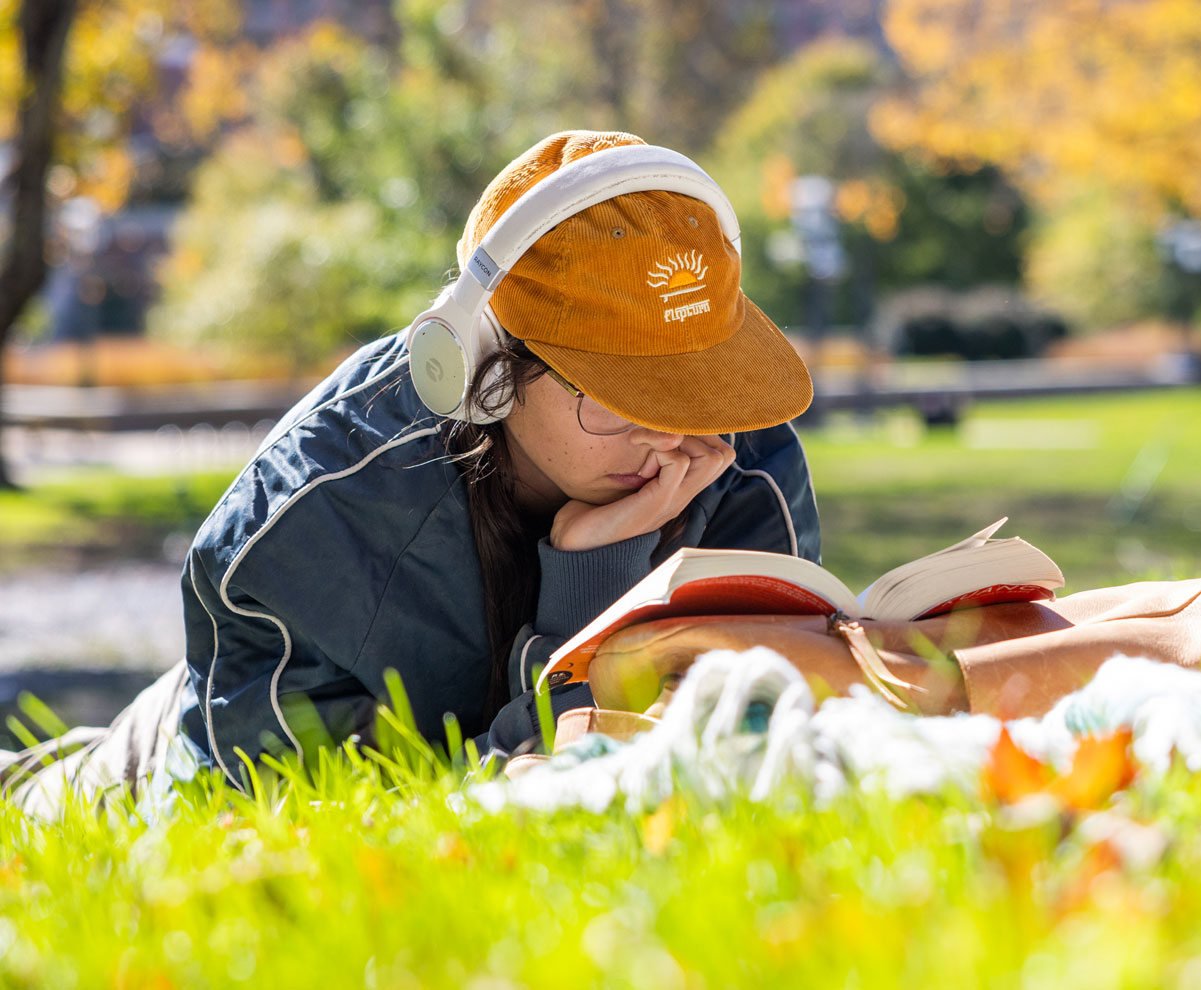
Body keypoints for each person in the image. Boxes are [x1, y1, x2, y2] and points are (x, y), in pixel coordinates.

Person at [2, 130, 818, 814]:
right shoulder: (307, 524)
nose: (675, 434)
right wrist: (589, 590)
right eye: (621, 394)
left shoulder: (743, 459)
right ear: (475, 363)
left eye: (696, 385)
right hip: (172, 767)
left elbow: (716, 743)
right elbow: (390, 831)